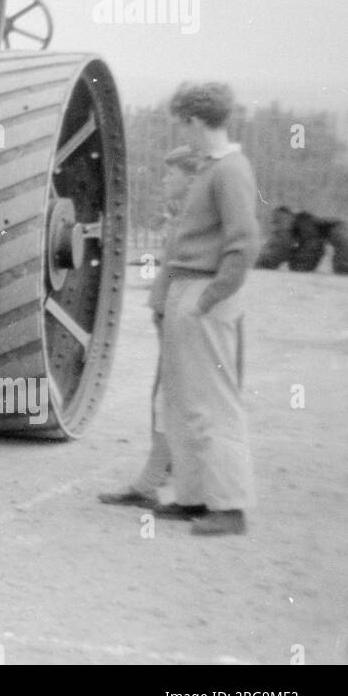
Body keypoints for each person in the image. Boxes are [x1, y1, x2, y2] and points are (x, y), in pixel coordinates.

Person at [156, 82, 261, 536]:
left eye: (182, 122)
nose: (181, 131)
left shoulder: (229, 171)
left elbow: (244, 244)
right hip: (190, 290)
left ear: (196, 121)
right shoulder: (213, 168)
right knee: (184, 401)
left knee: (214, 403)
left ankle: (230, 506)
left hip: (204, 294)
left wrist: (210, 297)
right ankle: (194, 496)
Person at [99, 145, 200, 509]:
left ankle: (156, 484)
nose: (164, 180)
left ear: (191, 178)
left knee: (170, 399)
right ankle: (160, 476)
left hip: (180, 317)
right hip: (170, 315)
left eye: (171, 173)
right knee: (166, 398)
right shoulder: (186, 215)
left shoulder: (195, 219)